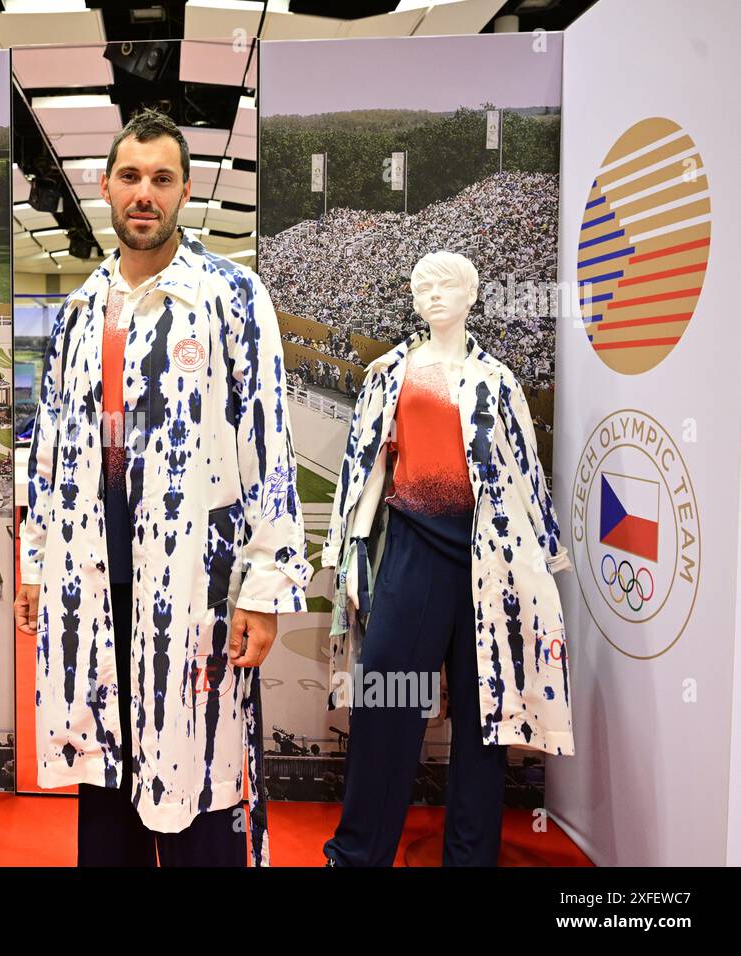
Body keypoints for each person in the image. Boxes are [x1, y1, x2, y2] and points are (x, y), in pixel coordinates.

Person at [14, 108, 309, 867]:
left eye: (162, 179)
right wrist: (37, 564)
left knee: (197, 792)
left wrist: (263, 587)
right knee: (105, 788)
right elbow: (47, 444)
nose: (144, 193)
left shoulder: (231, 296)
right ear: (107, 188)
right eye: (131, 178)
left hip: (192, 586)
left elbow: (269, 441)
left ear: (183, 194)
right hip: (94, 582)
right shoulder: (78, 311)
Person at [319, 251, 572, 866]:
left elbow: (523, 474)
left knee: (484, 721)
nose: (434, 296)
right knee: (386, 708)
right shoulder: (389, 373)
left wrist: (542, 562)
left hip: (490, 567)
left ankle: (470, 857)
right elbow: (361, 472)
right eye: (422, 287)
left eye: (447, 286)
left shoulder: (498, 381)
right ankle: (358, 855)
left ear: (472, 296)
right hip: (411, 553)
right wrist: (348, 556)